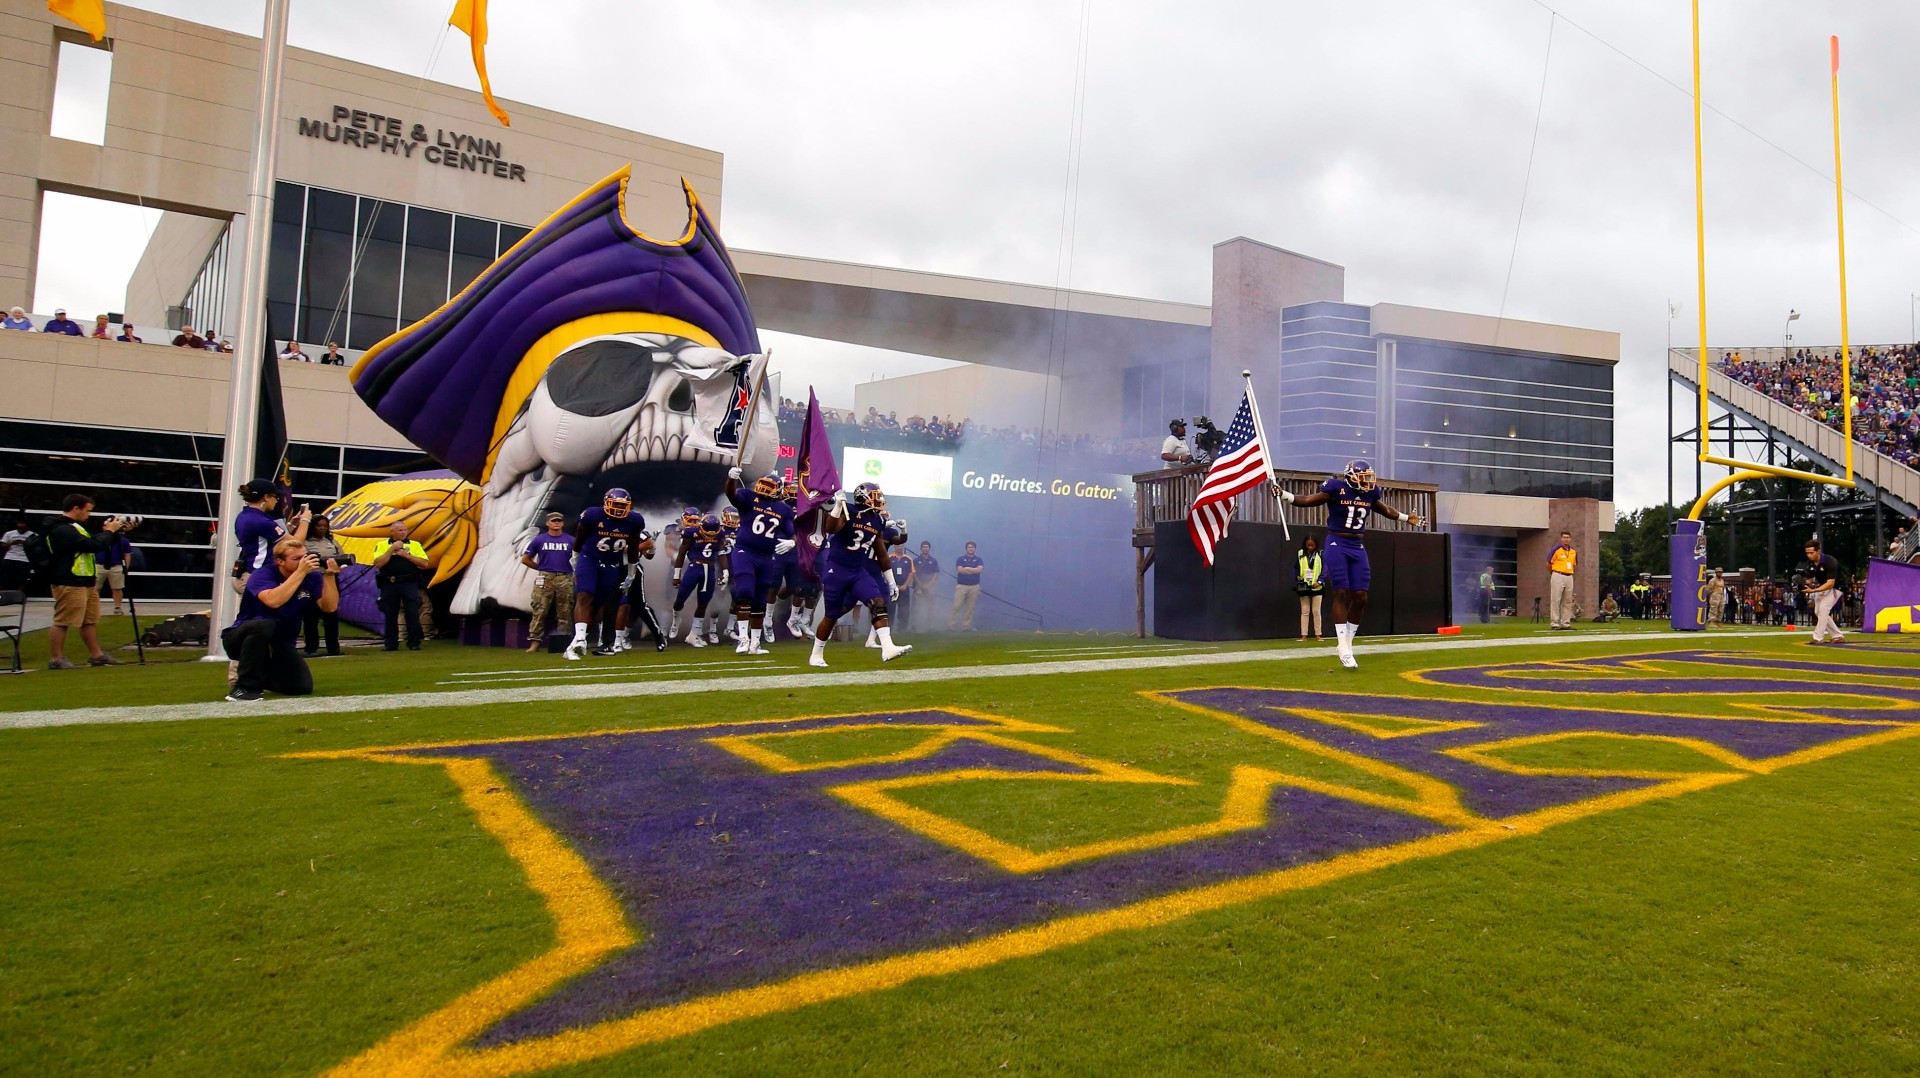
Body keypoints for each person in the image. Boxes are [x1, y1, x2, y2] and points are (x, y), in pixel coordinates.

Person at [1280, 459, 1426, 668]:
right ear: (1351, 476)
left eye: (1369, 478)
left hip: (1357, 544)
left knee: (1361, 597)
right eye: (1363, 477)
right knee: (1341, 592)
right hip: (1337, 541)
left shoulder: (1370, 493)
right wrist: (1286, 496)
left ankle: (1347, 643)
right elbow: (1308, 499)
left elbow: (1385, 509)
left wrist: (1406, 518)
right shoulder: (1335, 488)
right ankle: (1342, 645)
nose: (1367, 482)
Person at [222, 537, 340, 701]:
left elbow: (330, 607)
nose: (303, 562)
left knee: (301, 687)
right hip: (242, 639)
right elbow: (273, 601)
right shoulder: (263, 575)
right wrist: (300, 572)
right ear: (280, 561)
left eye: (304, 556)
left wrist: (329, 576)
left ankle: (259, 674)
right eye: (296, 558)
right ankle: (244, 687)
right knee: (264, 625)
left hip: (280, 642)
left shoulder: (311, 577)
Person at [809, 482, 911, 667]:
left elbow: (881, 553)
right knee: (832, 615)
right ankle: (816, 653)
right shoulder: (849, 510)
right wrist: (838, 506)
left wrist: (891, 582)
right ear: (862, 497)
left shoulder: (877, 520)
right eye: (874, 496)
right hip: (836, 569)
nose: (879, 500)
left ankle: (887, 648)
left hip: (857, 571)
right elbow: (831, 528)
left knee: (878, 603)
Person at [41, 493, 134, 669]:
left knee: (89, 619)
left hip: (85, 580)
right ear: (76, 508)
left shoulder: (75, 527)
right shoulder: (61, 529)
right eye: (87, 511)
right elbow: (92, 545)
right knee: (63, 620)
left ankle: (96, 655)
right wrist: (109, 532)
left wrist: (115, 534)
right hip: (69, 580)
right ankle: (56, 658)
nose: (89, 515)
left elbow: (96, 543)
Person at [564, 488, 645, 660]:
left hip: (612, 564)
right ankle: (579, 639)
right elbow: (580, 537)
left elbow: (633, 547)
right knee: (585, 594)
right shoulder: (593, 515)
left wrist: (631, 572)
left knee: (598, 606)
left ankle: (574, 644)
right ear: (606, 503)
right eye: (615, 504)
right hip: (590, 559)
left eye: (622, 505)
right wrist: (575, 556)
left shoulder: (634, 521)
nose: (618, 509)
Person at [723, 468, 796, 656]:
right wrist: (731, 479)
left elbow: (792, 532)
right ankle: (743, 639)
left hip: (766, 556)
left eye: (770, 486)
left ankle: (755, 643)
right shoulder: (748, 497)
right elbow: (731, 494)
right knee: (745, 591)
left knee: (760, 600)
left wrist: (792, 542)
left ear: (778, 490)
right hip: (745, 551)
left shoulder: (783, 509)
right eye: (763, 484)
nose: (764, 488)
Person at [233, 479, 308, 588]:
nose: (277, 500)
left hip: (247, 572)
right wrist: (305, 520)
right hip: (258, 575)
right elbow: (296, 544)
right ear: (266, 497)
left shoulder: (245, 515)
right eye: (275, 497)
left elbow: (268, 536)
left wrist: (292, 524)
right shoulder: (261, 521)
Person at [371, 521, 431, 651]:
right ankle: (391, 644)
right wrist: (392, 549)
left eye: (405, 530)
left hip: (409, 583)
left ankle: (414, 643)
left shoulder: (414, 545)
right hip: (389, 583)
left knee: (412, 612)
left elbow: (424, 563)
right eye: (400, 530)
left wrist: (406, 555)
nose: (403, 532)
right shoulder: (382, 545)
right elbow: (378, 563)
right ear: (392, 532)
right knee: (390, 613)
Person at [521, 511, 575, 652]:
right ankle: (535, 642)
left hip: (565, 576)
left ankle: (564, 641)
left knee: (565, 610)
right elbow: (525, 559)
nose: (556, 523)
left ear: (562, 523)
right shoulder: (540, 540)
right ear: (547, 523)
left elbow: (578, 558)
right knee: (540, 609)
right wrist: (541, 568)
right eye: (553, 521)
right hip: (545, 577)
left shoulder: (571, 540)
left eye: (558, 520)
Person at [670, 513, 726, 647]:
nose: (711, 535)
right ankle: (676, 619)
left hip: (710, 569)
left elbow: (721, 553)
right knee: (681, 598)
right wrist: (676, 575)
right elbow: (682, 553)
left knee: (703, 603)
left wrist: (725, 572)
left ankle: (693, 634)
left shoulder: (720, 534)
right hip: (695, 567)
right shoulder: (691, 533)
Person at [301, 515, 345, 656]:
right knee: (310, 615)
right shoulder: (305, 542)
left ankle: (333, 647)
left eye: (324, 526)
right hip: (312, 578)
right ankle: (311, 647)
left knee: (331, 614)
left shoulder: (331, 542)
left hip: (330, 578)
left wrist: (337, 565)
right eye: (318, 526)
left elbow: (342, 557)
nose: (322, 528)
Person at [1802, 539, 1844, 644]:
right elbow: (1809, 579)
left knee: (1823, 609)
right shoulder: (1810, 563)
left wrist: (1813, 590)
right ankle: (1837, 636)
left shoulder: (1830, 561)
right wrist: (1802, 582)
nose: (1809, 555)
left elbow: (1830, 583)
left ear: (1818, 551)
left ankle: (1817, 637)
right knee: (1819, 612)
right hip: (1823, 586)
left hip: (1836, 587)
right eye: (1807, 553)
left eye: (1811, 553)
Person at [95, 522, 134, 615]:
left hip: (116, 566)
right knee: (95, 588)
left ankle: (118, 607)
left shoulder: (122, 540)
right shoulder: (99, 539)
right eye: (104, 525)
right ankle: (93, 607)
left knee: (117, 588)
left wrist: (126, 568)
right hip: (99, 565)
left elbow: (127, 554)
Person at [1546, 531, 1577, 630]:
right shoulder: (1556, 550)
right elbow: (1548, 563)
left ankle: (1566, 622)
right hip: (1558, 574)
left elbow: (1574, 565)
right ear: (1561, 539)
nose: (1566, 539)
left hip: (1569, 576)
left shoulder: (1573, 551)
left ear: (1570, 539)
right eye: (1564, 537)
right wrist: (1553, 573)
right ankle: (1555, 622)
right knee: (1556, 599)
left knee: (1568, 600)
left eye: (1568, 537)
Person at [1296, 535, 1325, 640]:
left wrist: (1320, 581)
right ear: (1305, 545)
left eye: (1312, 545)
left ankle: (1318, 634)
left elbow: (1325, 569)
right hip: (1304, 586)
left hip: (1317, 587)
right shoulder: (1300, 553)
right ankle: (1304, 635)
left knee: (1316, 611)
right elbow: (1295, 568)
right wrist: (1297, 576)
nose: (1310, 547)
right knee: (1305, 610)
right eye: (1308, 545)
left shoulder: (1321, 554)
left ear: (1316, 545)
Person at [950, 541, 984, 630]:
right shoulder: (960, 559)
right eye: (969, 547)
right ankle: (952, 625)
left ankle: (966, 626)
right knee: (956, 606)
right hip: (962, 586)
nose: (971, 549)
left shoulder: (979, 559)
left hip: (974, 586)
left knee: (970, 608)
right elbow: (960, 570)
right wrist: (973, 570)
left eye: (972, 547)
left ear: (975, 549)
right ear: (966, 549)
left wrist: (968, 569)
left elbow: (979, 570)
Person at [911, 540, 939, 632]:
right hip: (918, 587)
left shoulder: (933, 561)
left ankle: (931, 627)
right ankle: (914, 626)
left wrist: (929, 585)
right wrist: (921, 585)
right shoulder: (916, 560)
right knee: (916, 607)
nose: (925, 548)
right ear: (921, 549)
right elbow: (913, 574)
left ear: (929, 549)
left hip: (930, 587)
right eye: (923, 547)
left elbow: (935, 574)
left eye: (927, 547)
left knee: (930, 607)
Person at [889, 540, 916, 632]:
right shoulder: (889, 558)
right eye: (898, 546)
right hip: (892, 588)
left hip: (904, 588)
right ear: (894, 547)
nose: (900, 547)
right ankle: (889, 627)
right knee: (890, 608)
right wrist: (893, 585)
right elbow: (884, 572)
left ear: (904, 547)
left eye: (901, 546)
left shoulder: (908, 559)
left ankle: (902, 628)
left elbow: (911, 573)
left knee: (904, 609)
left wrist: (905, 585)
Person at [0, 515, 33, 592]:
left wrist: (26, 543)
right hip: (10, 557)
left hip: (24, 559)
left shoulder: (32, 535)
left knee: (22, 579)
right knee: (3, 577)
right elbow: (2, 545)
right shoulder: (9, 533)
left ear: (27, 527)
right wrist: (11, 543)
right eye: (19, 528)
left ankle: (18, 595)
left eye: (23, 529)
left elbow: (36, 548)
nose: (21, 530)